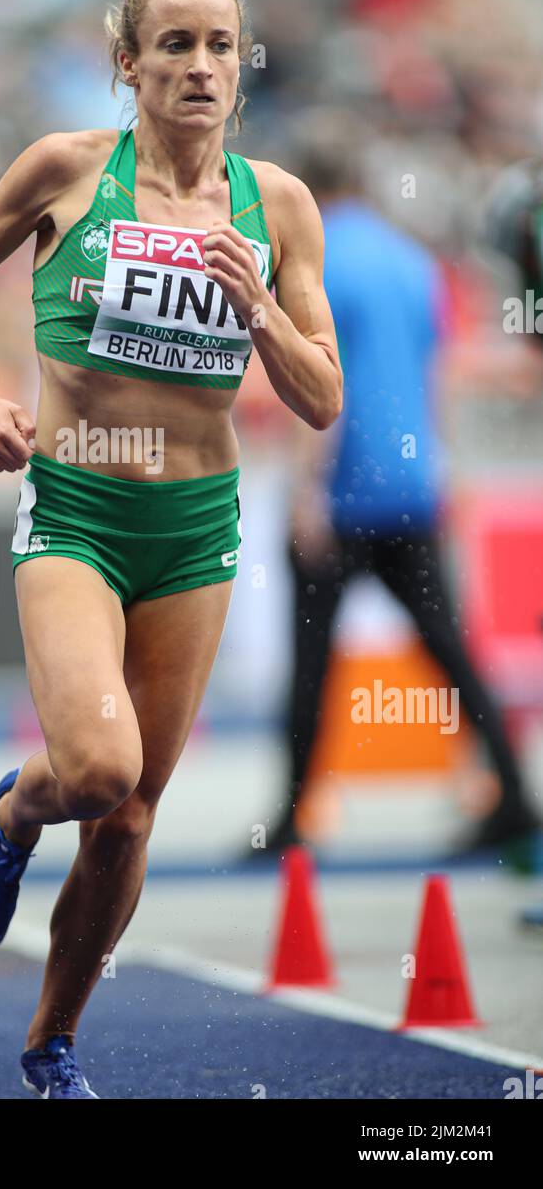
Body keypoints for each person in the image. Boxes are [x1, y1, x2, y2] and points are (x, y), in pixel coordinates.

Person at [0, 0, 342, 1098]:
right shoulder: (65, 170)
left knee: (133, 814)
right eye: (174, 45)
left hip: (195, 526)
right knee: (99, 767)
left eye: (218, 45)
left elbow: (321, 397)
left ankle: (50, 1044)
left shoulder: (277, 204)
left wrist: (255, 305)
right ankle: (16, 805)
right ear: (128, 64)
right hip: (76, 509)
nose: (199, 67)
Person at [249, 112, 540, 860]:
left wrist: (308, 495)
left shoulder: (313, 263)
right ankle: (512, 791)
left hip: (345, 491)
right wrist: (447, 469)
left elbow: (316, 392)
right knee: (450, 649)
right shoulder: (414, 262)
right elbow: (436, 378)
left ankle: (290, 818)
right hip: (413, 485)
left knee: (312, 661)